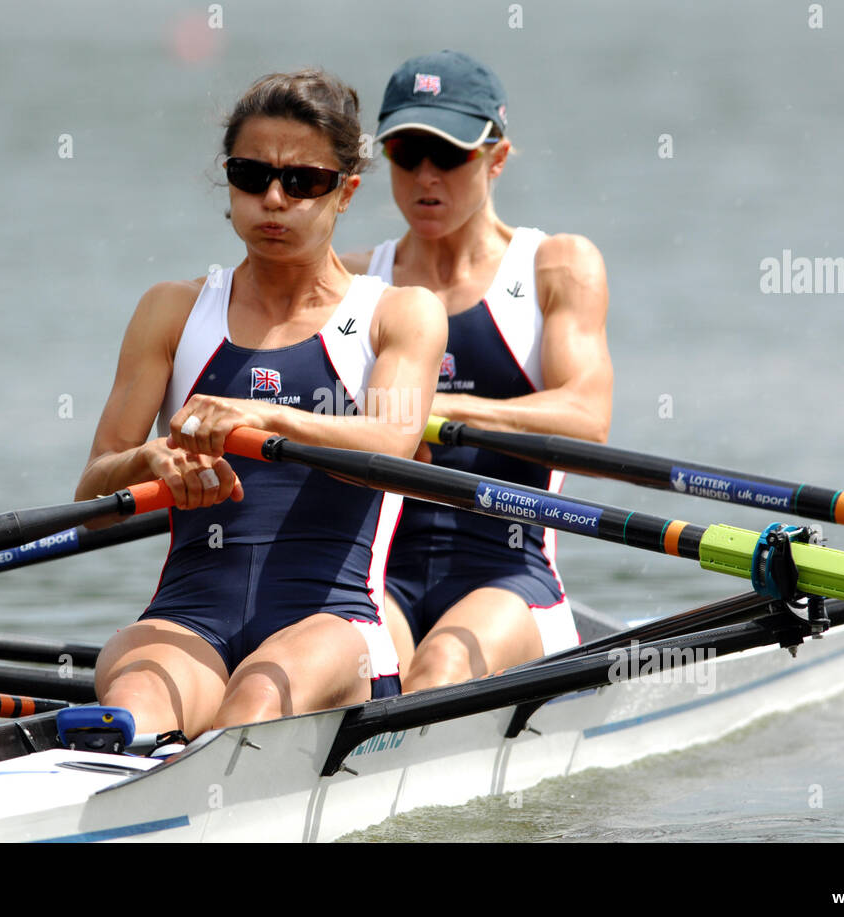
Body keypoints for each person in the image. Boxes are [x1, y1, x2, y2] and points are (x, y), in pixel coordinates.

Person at [76, 69, 446, 741]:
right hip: (190, 614)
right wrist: (148, 461)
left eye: (302, 182)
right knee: (130, 705)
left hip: (335, 622)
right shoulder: (171, 311)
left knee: (254, 704)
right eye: (251, 176)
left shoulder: (399, 314)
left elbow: (393, 443)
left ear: (345, 192)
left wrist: (263, 417)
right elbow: (92, 498)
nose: (273, 199)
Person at [343, 50, 613, 691]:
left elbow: (586, 417)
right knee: (344, 671)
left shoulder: (555, 266)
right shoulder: (355, 280)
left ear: (496, 156)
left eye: (450, 154)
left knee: (440, 667)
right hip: (380, 573)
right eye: (406, 153)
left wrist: (441, 414)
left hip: (510, 573)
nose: (425, 176)